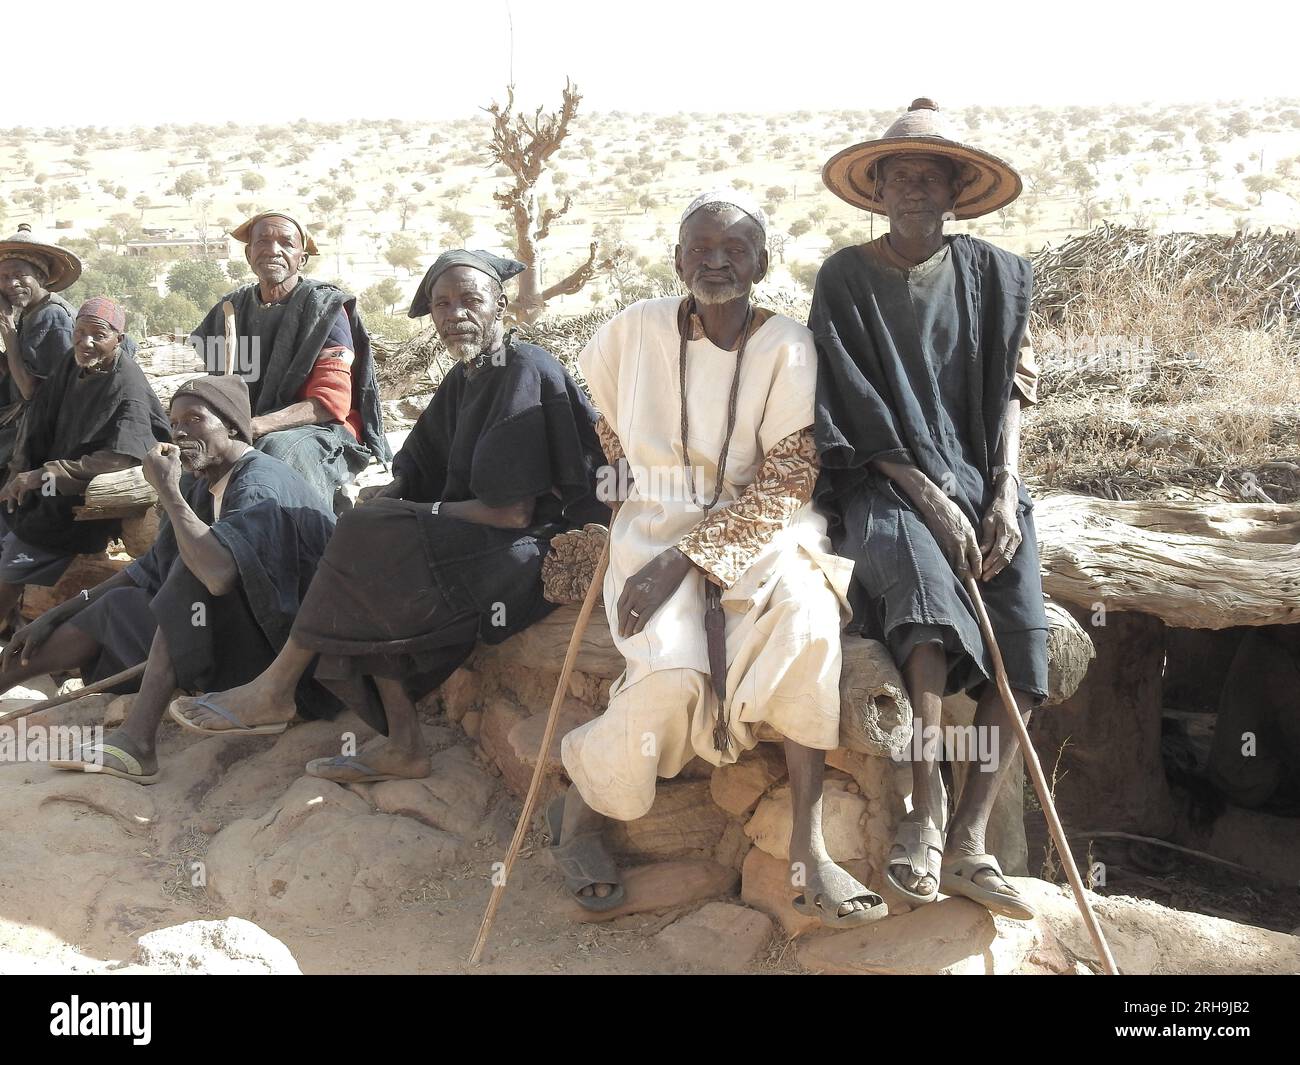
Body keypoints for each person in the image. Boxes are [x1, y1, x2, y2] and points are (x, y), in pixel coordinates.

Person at [553, 190, 886, 927]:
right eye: (700, 248)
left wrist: (692, 559)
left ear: (761, 263)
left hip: (768, 529)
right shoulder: (635, 329)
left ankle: (808, 845)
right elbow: (605, 415)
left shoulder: (789, 346)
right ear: (677, 260)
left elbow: (791, 475)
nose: (716, 261)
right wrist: (634, 494)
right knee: (671, 677)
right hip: (652, 526)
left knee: (806, 622)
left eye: (734, 250)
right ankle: (581, 799)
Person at [167, 249, 608, 785]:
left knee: (370, 541)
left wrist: (415, 510)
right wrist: (393, 493)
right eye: (442, 304)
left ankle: (279, 690)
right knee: (366, 543)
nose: (455, 314)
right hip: (481, 531)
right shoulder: (466, 378)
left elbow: (512, 510)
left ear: (501, 303)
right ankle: (396, 744)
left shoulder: (522, 367)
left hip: (535, 547)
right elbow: (421, 462)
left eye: (470, 300)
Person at [812, 98, 1047, 920]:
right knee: (919, 600)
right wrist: (931, 501)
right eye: (899, 175)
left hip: (985, 481)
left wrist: (1005, 491)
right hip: (888, 483)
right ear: (877, 190)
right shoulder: (844, 279)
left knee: (1024, 638)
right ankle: (923, 808)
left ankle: (975, 833)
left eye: (930, 176)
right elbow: (855, 412)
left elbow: (1015, 396)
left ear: (956, 190)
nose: (914, 187)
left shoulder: (999, 276)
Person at [2, 375, 340, 783]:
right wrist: (54, 615)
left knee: (191, 567)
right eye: (174, 421)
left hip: (290, 669)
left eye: (194, 419)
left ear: (232, 425)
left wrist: (167, 491)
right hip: (239, 632)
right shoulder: (205, 482)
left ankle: (138, 743)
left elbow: (216, 575)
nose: (179, 432)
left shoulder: (260, 483)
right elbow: (145, 569)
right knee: (113, 606)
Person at [187, 210, 389, 510]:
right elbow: (217, 388)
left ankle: (307, 547)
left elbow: (329, 402)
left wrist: (255, 426)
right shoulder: (229, 311)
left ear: (302, 258)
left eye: (286, 243)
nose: (273, 250)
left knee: (274, 452)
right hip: (250, 425)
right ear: (249, 253)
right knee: (194, 465)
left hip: (324, 431)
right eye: (263, 241)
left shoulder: (325, 309)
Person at [0, 298, 169, 629]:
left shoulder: (126, 383)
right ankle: (14, 624)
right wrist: (19, 472)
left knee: (20, 556)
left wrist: (45, 475)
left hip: (87, 494)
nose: (86, 342)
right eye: (79, 333)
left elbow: (121, 458)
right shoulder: (73, 362)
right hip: (50, 480)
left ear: (118, 339)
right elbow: (40, 416)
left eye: (98, 335)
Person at [0, 224, 81, 468]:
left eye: (19, 274)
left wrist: (8, 331)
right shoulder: (30, 313)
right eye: (3, 277)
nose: (11, 283)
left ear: (41, 276)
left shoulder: (52, 315)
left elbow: (31, 391)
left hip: (46, 428)